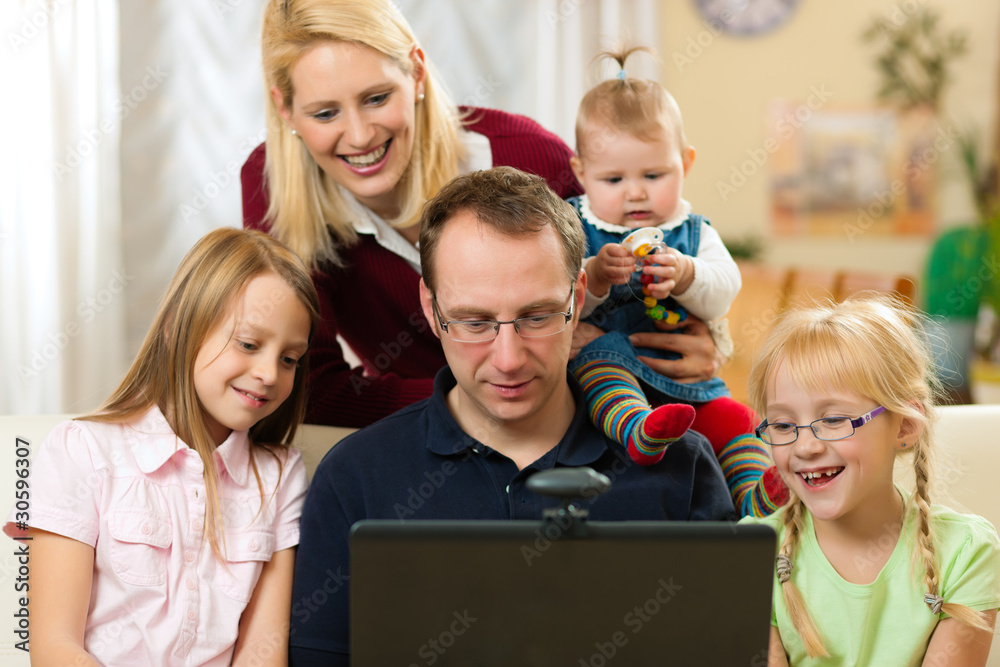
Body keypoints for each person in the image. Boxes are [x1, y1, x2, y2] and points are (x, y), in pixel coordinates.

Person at [288, 167, 735, 665]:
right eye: (474, 322)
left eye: (537, 317)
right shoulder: (356, 478)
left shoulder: (681, 468)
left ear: (578, 296)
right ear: (431, 309)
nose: (508, 359)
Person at [241, 0, 722, 428]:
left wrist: (707, 340)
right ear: (284, 108)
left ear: (416, 72)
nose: (361, 135)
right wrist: (476, 398)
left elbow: (647, 262)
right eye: (326, 113)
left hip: (586, 422)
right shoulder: (273, 188)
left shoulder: (532, 156)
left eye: (376, 98)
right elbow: (309, 389)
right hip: (426, 440)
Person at [5, 228, 320, 666]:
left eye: (289, 359)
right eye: (248, 344)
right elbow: (55, 648)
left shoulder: (281, 476)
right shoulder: (82, 451)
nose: (269, 373)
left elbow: (261, 652)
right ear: (178, 328)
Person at [566, 46, 785, 517]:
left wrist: (687, 273)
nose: (636, 191)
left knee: (735, 419)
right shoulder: (574, 229)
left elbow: (725, 287)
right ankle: (639, 431)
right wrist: (595, 276)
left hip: (687, 385)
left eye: (653, 173)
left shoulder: (694, 232)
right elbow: (555, 300)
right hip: (615, 382)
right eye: (613, 179)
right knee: (601, 365)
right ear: (581, 173)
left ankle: (756, 496)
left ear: (685, 163)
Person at [741, 295, 1000, 666]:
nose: (805, 446)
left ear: (905, 426)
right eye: (783, 425)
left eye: (833, 420)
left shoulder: (965, 551)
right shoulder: (752, 551)